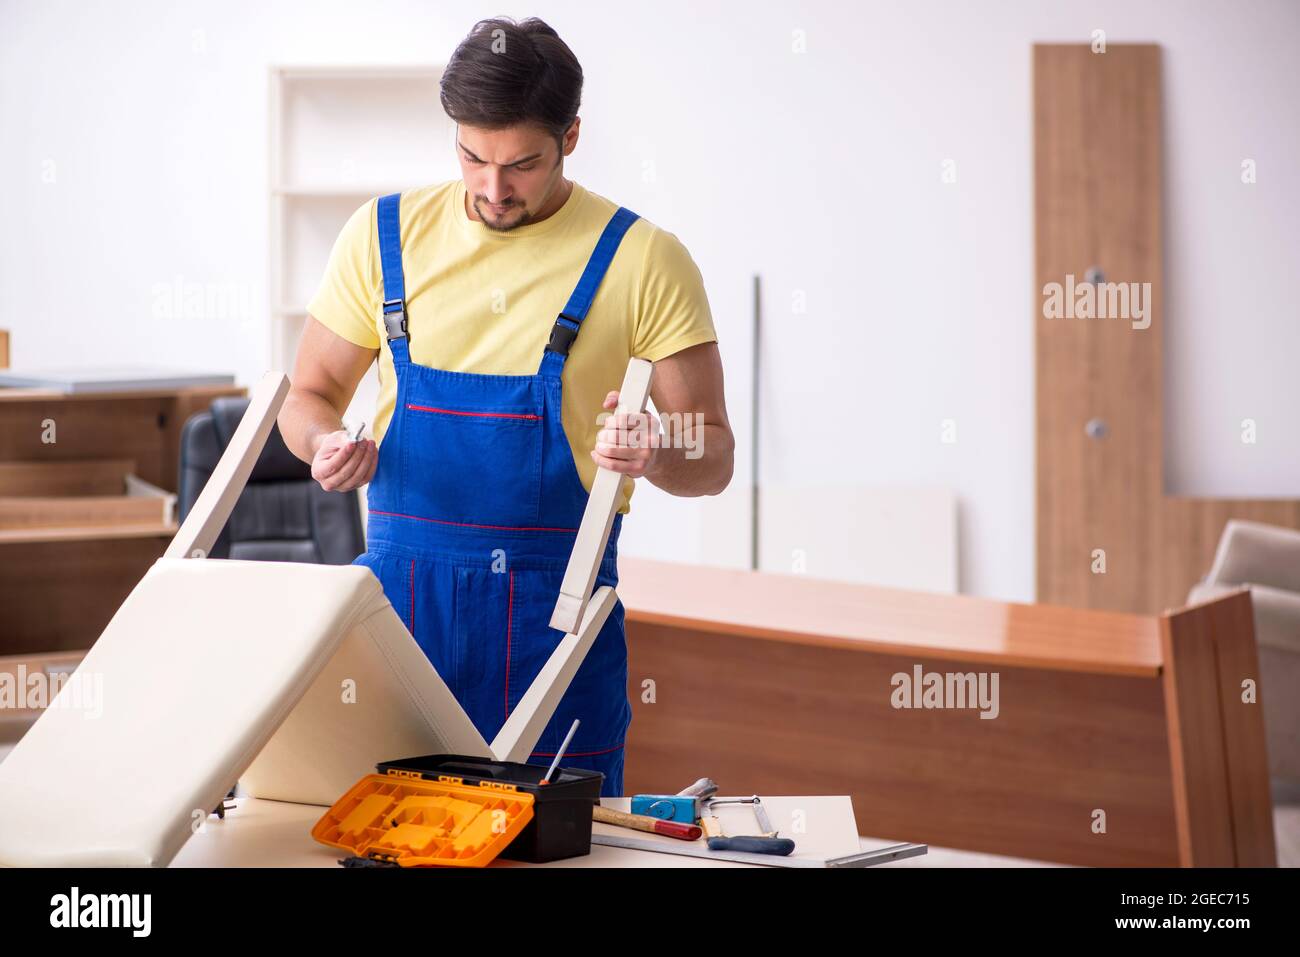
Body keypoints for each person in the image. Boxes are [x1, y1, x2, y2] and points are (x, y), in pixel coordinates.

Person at [278, 17, 734, 797]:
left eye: (521, 164)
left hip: (556, 654)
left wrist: (656, 449)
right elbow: (307, 398)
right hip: (396, 648)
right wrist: (324, 443)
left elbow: (714, 453)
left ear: (572, 136)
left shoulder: (642, 259)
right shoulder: (380, 238)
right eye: (472, 157)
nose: (492, 190)